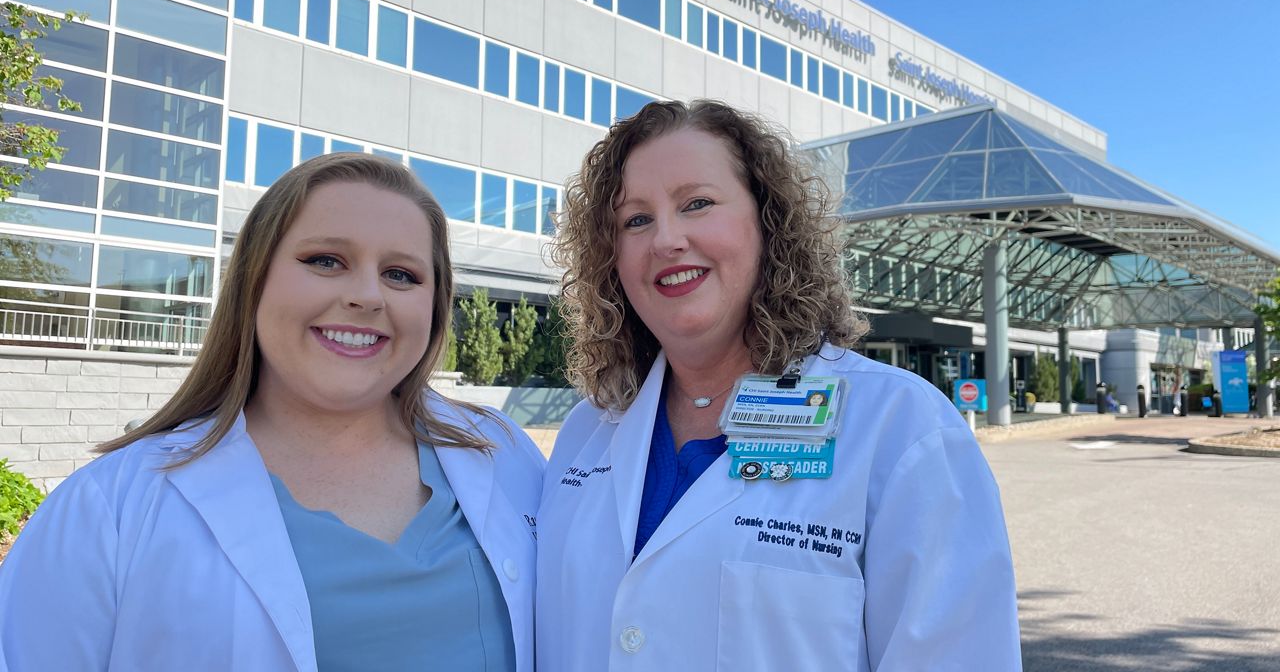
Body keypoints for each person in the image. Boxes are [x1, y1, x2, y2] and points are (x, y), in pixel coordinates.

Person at [0, 153, 544, 671]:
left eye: (401, 274)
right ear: (254, 279)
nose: (366, 295)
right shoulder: (109, 507)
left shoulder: (505, 457)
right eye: (325, 261)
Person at [536, 100, 1021, 670]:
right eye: (635, 220)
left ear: (768, 222)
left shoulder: (899, 428)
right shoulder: (586, 432)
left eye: (697, 203)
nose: (666, 239)